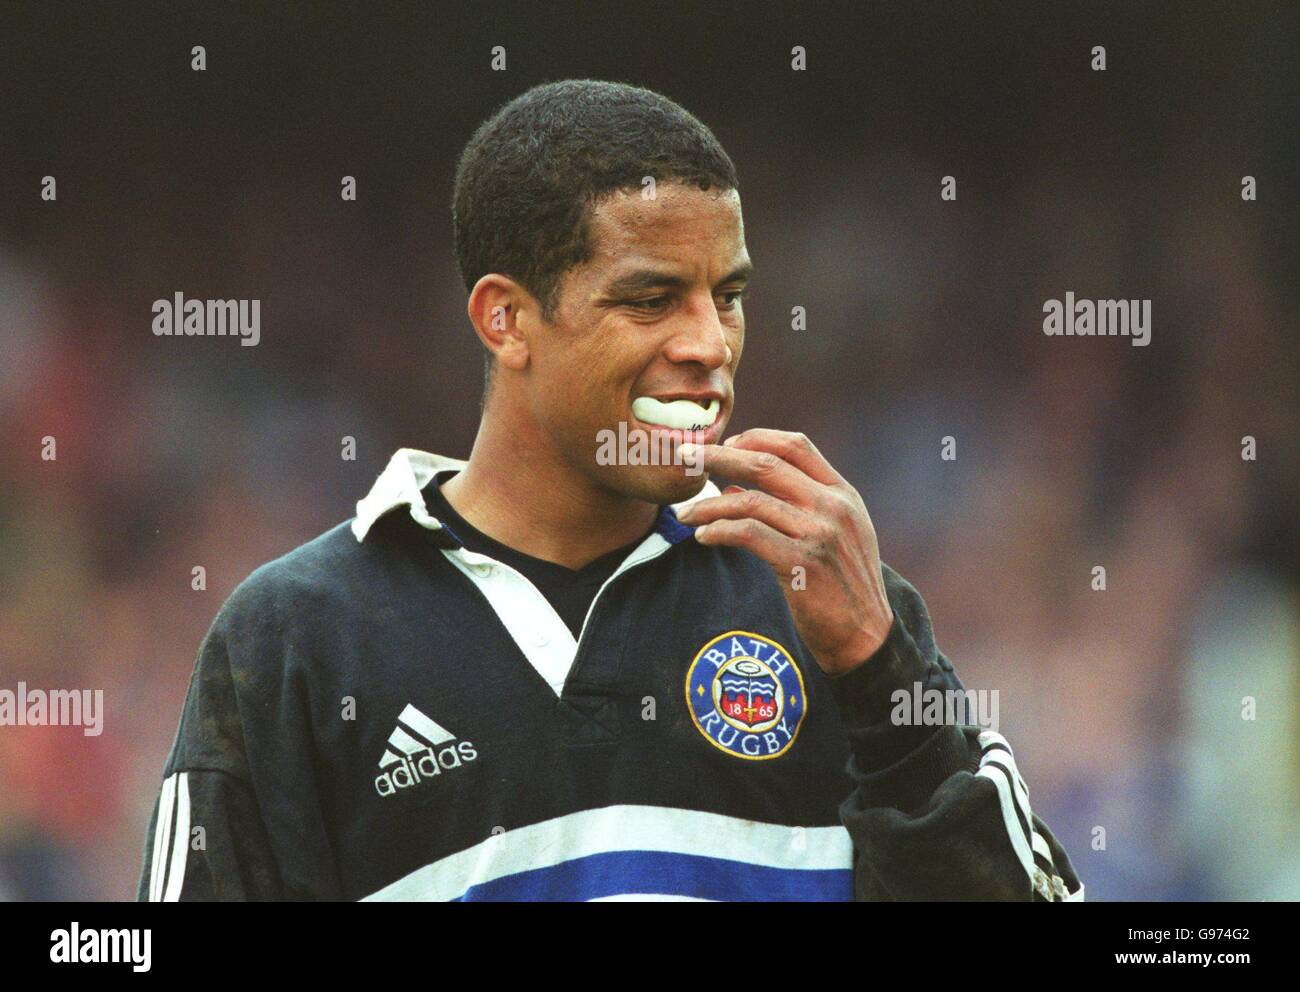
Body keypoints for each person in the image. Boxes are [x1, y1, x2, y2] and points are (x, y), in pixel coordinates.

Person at [138, 79, 1082, 902]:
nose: (710, 344)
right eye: (650, 299)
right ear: (505, 320)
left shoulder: (825, 604)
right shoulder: (298, 639)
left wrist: (883, 682)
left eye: (731, 296)